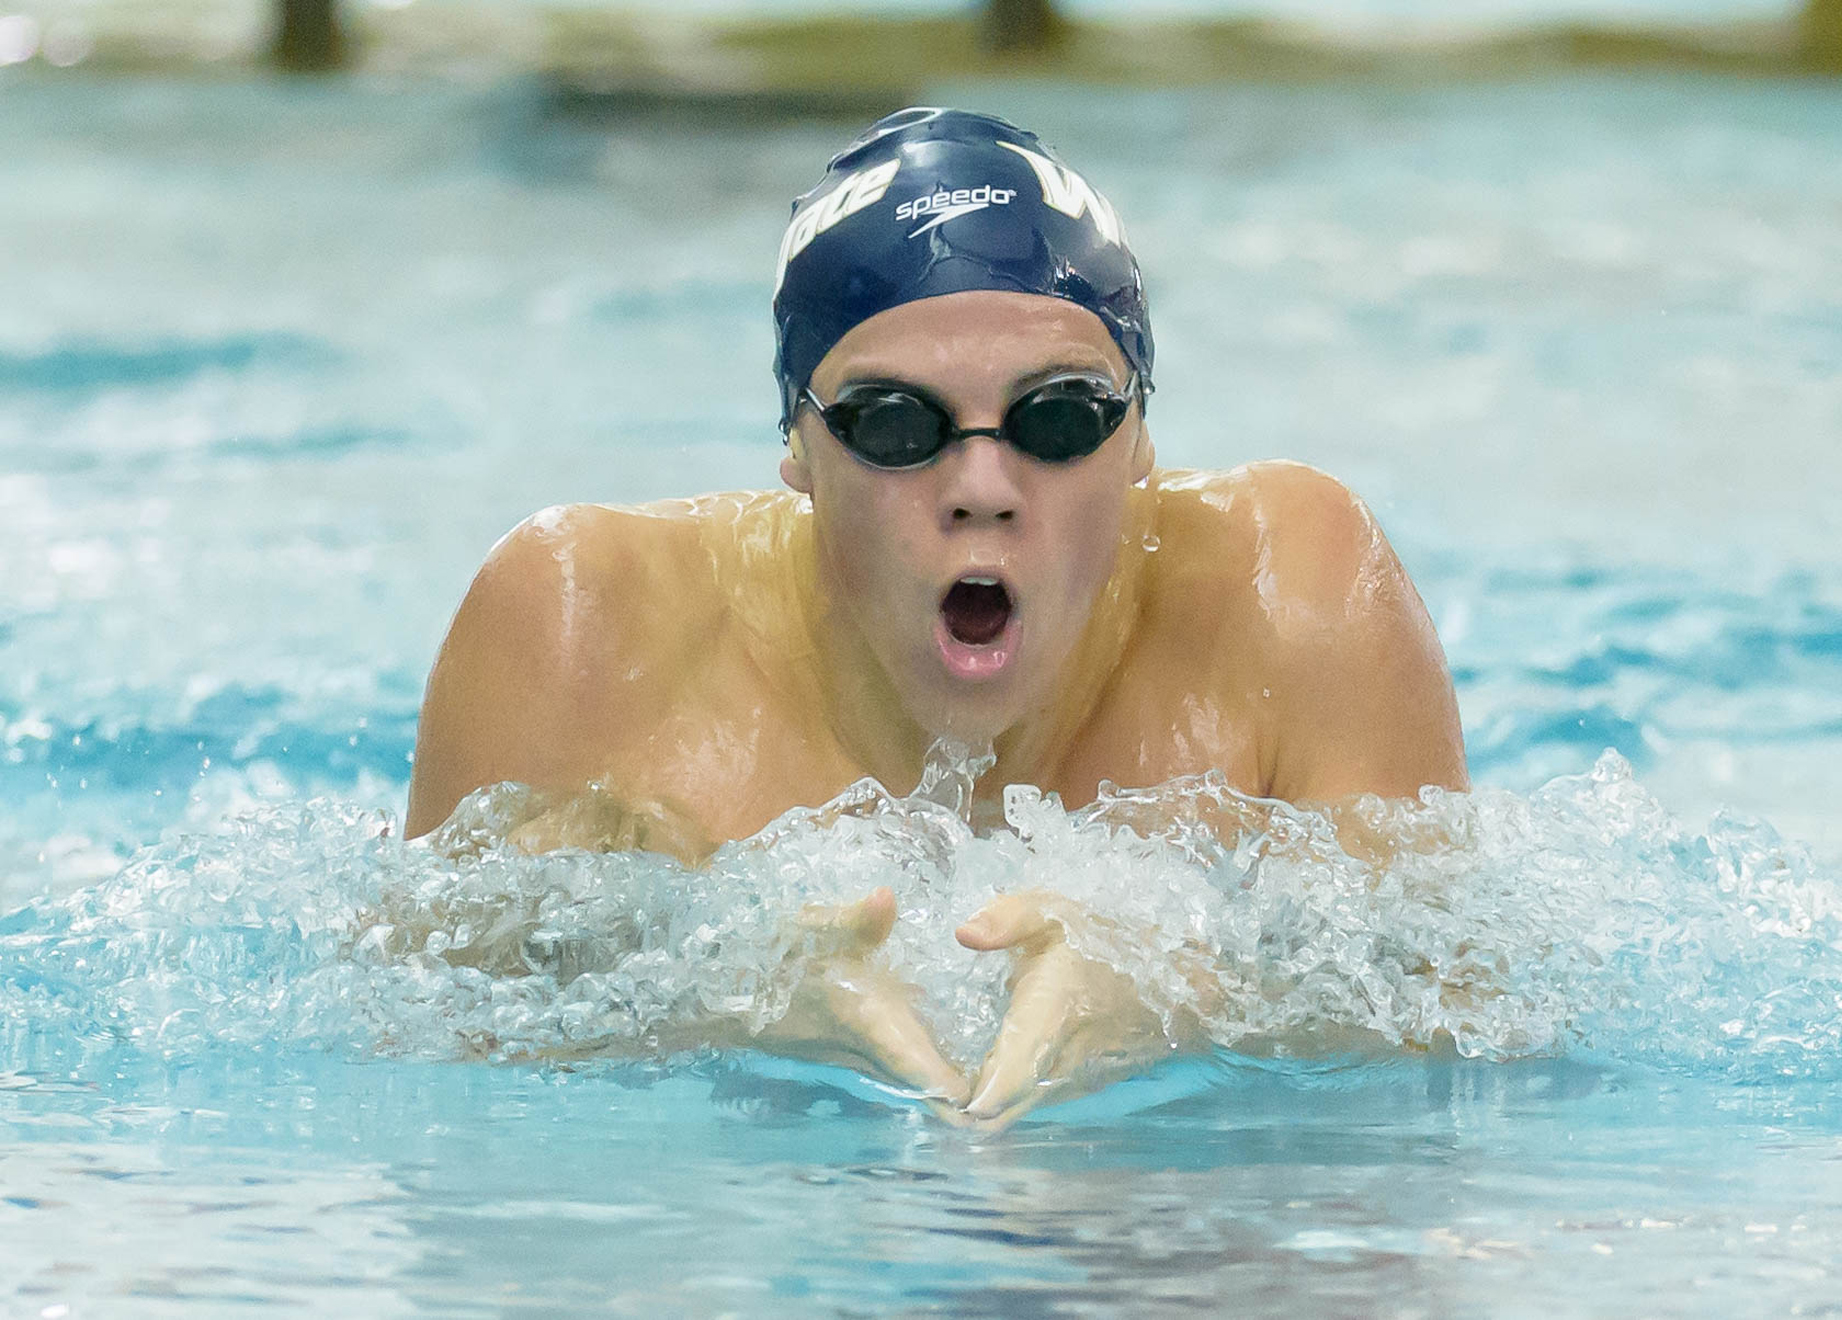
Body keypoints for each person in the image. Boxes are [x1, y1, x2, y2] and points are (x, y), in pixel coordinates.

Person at [403, 108, 1468, 1125]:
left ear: (1141, 436)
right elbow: (420, 1037)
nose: (982, 484)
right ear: (799, 451)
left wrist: (1182, 998)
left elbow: (1470, 1028)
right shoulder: (588, 630)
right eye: (897, 423)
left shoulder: (1295, 595)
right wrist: (725, 1005)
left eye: (1058, 416)